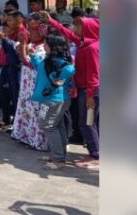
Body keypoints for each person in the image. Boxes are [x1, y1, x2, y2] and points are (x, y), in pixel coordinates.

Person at [46, 9, 100, 168]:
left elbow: (94, 74)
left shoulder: (92, 49)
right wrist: (52, 22)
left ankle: (96, 155)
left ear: (89, 29)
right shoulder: (83, 43)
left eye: (79, 26)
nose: (75, 29)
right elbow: (68, 34)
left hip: (91, 92)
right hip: (85, 90)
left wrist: (90, 95)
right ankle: (95, 151)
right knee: (90, 122)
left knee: (88, 122)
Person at [25, 34, 76, 169]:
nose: (44, 46)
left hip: (55, 100)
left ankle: (58, 160)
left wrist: (58, 78)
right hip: (50, 99)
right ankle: (57, 155)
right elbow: (40, 70)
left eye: (46, 44)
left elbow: (70, 69)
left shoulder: (60, 62)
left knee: (48, 125)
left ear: (54, 47)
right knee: (56, 126)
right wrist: (33, 56)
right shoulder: (49, 60)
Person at [10, 13, 50, 150]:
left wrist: (23, 46)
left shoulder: (44, 48)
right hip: (27, 86)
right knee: (26, 110)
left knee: (35, 111)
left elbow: (29, 62)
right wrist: (22, 46)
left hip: (36, 86)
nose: (30, 33)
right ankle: (25, 136)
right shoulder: (32, 44)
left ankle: (38, 141)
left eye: (33, 31)